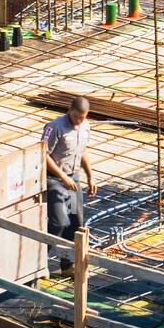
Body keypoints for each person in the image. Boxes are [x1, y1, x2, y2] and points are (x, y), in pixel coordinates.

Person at [41, 96, 97, 276]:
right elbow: (43, 154)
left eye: (82, 117)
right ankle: (39, 261)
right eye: (76, 117)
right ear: (69, 110)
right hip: (54, 181)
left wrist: (90, 177)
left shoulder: (85, 126)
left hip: (73, 181)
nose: (79, 121)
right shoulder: (55, 127)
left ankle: (67, 265)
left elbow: (83, 153)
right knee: (59, 222)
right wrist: (62, 176)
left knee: (75, 222)